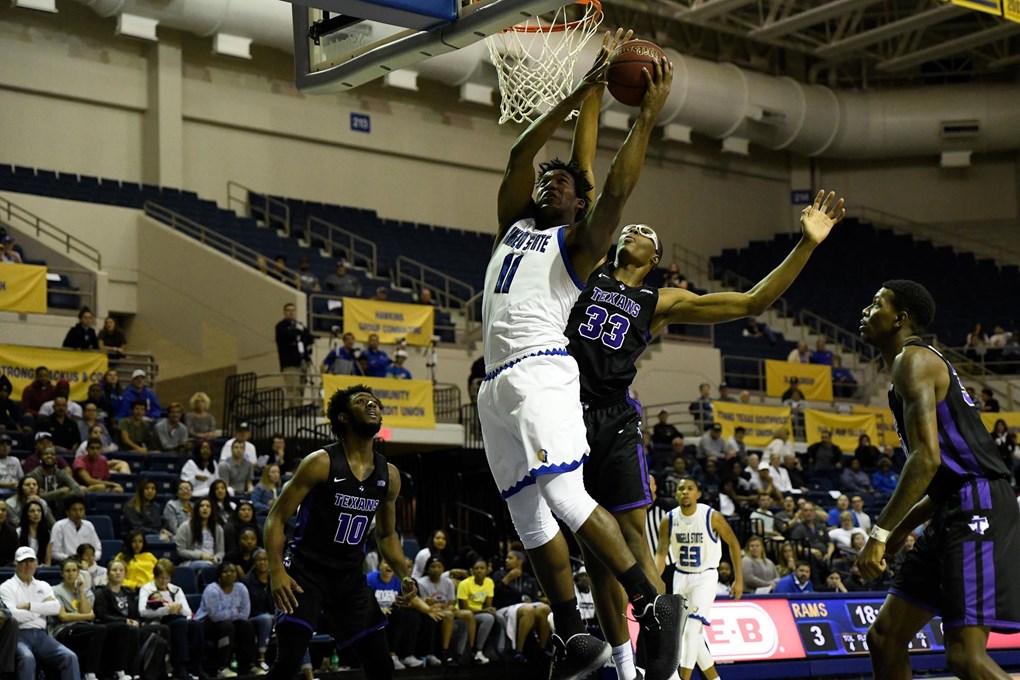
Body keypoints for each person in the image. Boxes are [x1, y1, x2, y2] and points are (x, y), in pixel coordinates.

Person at [477, 29, 685, 680]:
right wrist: (581, 90)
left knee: (564, 491)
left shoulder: (579, 247)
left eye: (565, 181)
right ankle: (574, 635)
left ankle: (652, 605)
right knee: (527, 512)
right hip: (494, 385)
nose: (551, 180)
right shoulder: (514, 223)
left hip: (542, 369)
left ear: (579, 203)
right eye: (549, 177)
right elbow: (520, 152)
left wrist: (645, 116)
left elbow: (615, 192)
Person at [856, 280, 1020, 680]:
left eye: (877, 304)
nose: (866, 310)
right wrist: (903, 527)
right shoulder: (912, 367)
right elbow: (944, 473)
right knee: (884, 637)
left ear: (900, 318)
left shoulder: (913, 361)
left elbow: (926, 459)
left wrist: (880, 532)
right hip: (954, 502)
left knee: (965, 657)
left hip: (978, 504)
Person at [264, 385, 431, 680]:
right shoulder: (321, 462)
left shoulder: (389, 475)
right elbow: (276, 517)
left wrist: (404, 574)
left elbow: (387, 536)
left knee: (382, 668)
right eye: (362, 401)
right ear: (342, 417)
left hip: (349, 579)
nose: (372, 405)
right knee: (288, 664)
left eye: (376, 402)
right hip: (306, 573)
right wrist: (276, 570)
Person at [655, 478, 744, 680]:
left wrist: (739, 579)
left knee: (691, 630)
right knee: (694, 635)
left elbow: (734, 544)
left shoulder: (711, 516)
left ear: (698, 494)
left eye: (690, 488)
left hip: (705, 576)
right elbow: (661, 553)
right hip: (680, 576)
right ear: (676, 495)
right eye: (681, 489)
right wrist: (652, 582)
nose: (685, 492)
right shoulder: (668, 519)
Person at [0, 546, 81, 680]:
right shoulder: (6, 587)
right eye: (23, 562)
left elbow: (55, 608)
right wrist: (41, 609)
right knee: (27, 658)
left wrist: (29, 606)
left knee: (70, 657)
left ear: (36, 564)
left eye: (31, 561)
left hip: (42, 635)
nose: (28, 565)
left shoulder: (43, 585)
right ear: (16, 564)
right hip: (18, 635)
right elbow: (12, 616)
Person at [51, 556, 135, 680]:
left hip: (84, 627)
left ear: (79, 573)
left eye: (74, 571)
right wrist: (86, 616)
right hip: (64, 630)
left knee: (122, 627)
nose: (71, 574)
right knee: (99, 628)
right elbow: (63, 617)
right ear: (62, 574)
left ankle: (119, 670)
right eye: (67, 571)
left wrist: (80, 591)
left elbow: (88, 616)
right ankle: (90, 673)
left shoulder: (86, 591)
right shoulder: (55, 591)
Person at [138, 558, 205, 680]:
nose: (164, 582)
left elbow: (188, 611)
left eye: (167, 578)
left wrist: (178, 608)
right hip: (159, 621)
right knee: (180, 624)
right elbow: (142, 612)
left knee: (196, 625)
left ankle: (197, 665)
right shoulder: (147, 589)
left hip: (178, 618)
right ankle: (179, 667)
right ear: (155, 576)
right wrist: (166, 610)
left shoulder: (176, 589)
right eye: (160, 578)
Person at [194, 560, 263, 677]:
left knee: (246, 625)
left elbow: (245, 614)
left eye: (232, 571)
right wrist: (235, 611)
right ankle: (222, 667)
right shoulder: (212, 590)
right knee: (227, 626)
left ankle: (250, 665)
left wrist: (228, 613)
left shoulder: (241, 588)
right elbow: (215, 616)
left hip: (230, 624)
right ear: (219, 575)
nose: (230, 574)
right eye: (225, 572)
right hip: (206, 624)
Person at [492, 549, 552, 662]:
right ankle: (519, 651)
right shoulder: (499, 575)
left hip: (525, 607)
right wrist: (508, 578)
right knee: (528, 610)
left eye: (510, 558)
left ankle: (542, 649)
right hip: (505, 607)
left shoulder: (529, 578)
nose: (506, 560)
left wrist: (531, 599)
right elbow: (496, 594)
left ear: (519, 562)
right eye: (507, 558)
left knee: (545, 608)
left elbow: (535, 598)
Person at [455, 558, 496, 665]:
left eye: (482, 568)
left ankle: (503, 650)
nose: (479, 571)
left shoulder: (489, 582)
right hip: (464, 613)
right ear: (472, 570)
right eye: (476, 568)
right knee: (488, 618)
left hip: (480, 612)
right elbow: (464, 607)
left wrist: (489, 609)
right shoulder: (464, 584)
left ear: (487, 570)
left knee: (499, 618)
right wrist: (484, 610)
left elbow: (488, 605)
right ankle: (477, 650)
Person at [242, 548, 274, 672]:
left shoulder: (275, 579)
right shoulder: (246, 581)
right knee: (265, 619)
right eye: (259, 560)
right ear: (254, 562)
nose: (262, 562)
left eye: (265, 559)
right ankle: (261, 659)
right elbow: (246, 607)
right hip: (253, 618)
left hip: (273, 616)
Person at [275, 303, 314, 408]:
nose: (291, 312)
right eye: (288, 310)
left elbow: (309, 338)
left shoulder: (300, 325)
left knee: (301, 388)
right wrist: (298, 334)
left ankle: (299, 409)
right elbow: (288, 336)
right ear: (284, 312)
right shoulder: (281, 326)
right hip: (290, 362)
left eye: (293, 310)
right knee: (292, 388)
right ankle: (293, 410)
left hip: (302, 362)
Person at [175, 498, 224, 579]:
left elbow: (220, 551)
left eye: (208, 506)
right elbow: (180, 550)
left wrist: (217, 558)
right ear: (197, 509)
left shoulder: (218, 528)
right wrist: (201, 556)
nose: (205, 508)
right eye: (202, 506)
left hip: (213, 561)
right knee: (205, 566)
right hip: (191, 562)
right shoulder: (185, 526)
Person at [50, 496, 101, 562]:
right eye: (74, 510)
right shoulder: (59, 526)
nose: (78, 513)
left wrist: (92, 558)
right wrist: (70, 558)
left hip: (88, 563)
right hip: (68, 564)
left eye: (81, 509)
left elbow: (98, 549)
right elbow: (54, 553)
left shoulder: (89, 525)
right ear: (67, 512)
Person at [17, 500, 52, 566]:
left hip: (41, 568)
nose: (36, 513)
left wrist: (46, 566)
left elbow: (48, 560)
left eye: (39, 511)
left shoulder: (47, 533)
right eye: (32, 511)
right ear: (26, 514)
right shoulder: (19, 532)